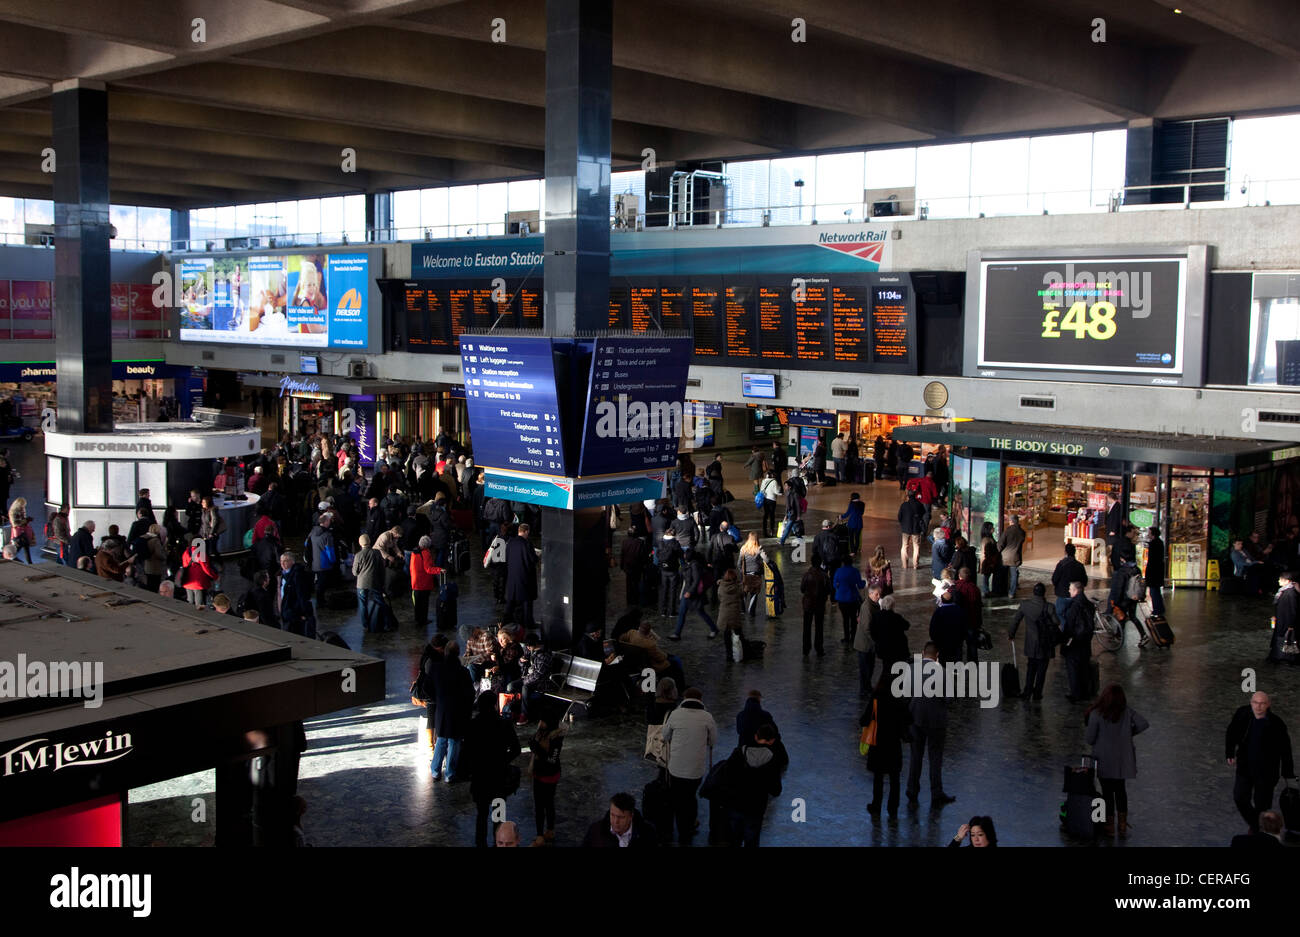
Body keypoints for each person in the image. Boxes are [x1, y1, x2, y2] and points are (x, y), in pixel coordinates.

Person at [1085, 683, 1150, 838]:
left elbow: (1089, 739)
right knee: (1121, 791)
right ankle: (1122, 824)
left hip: (1103, 760)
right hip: (1122, 760)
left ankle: (1109, 825)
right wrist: (1129, 733)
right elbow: (1143, 723)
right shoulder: (1126, 712)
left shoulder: (1096, 714)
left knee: (1107, 792)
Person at [1225, 692, 1295, 833]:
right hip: (1245, 766)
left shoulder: (1276, 723)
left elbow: (1285, 749)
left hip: (1267, 771)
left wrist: (1287, 772)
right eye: (1255, 703)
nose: (1258, 706)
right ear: (1251, 703)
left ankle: (1257, 829)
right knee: (1240, 797)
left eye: (1262, 703)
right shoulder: (1243, 714)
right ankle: (1257, 825)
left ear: (1268, 705)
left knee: (1261, 803)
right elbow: (1231, 732)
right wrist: (1230, 752)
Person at [660, 687, 717, 846]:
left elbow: (665, 736)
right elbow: (712, 741)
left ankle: (671, 830)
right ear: (701, 700)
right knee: (690, 797)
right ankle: (687, 829)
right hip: (695, 771)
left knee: (675, 796)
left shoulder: (676, 714)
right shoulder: (707, 717)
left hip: (675, 768)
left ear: (684, 698)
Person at [464, 693, 522, 847]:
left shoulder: (472, 725)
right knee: (498, 817)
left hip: (480, 779)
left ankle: (481, 844)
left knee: (481, 816)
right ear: (495, 705)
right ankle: (499, 844)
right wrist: (503, 760)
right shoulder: (503, 723)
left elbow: (466, 753)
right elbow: (516, 749)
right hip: (499, 779)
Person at [719, 722, 787, 846]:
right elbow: (776, 790)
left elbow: (726, 776)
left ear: (756, 736)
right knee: (752, 841)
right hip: (756, 808)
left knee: (734, 840)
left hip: (736, 804)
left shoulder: (739, 752)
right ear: (771, 741)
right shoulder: (772, 759)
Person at [906, 642, 956, 807]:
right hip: (936, 722)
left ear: (922, 653)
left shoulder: (912, 669)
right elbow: (949, 699)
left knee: (915, 756)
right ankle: (936, 792)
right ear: (937, 656)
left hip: (915, 718)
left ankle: (912, 789)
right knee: (935, 758)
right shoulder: (942, 672)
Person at [863, 673, 909, 816]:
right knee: (894, 777)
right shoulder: (898, 701)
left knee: (878, 776)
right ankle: (893, 808)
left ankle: (876, 805)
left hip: (878, 743)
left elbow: (864, 719)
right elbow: (908, 719)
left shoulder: (876, 699)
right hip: (893, 744)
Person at [1009, 583, 1060, 700]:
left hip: (1031, 642)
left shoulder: (1025, 605)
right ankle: (1037, 693)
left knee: (1031, 667)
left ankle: (1027, 691)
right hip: (1045, 643)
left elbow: (1015, 621)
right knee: (1042, 669)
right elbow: (1056, 622)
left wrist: (1011, 634)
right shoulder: (1049, 607)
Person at [529, 715, 566, 845]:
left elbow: (551, 759)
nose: (540, 723)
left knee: (544, 804)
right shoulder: (541, 733)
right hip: (539, 774)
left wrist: (536, 748)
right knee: (543, 804)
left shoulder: (556, 738)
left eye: (542, 720)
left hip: (549, 776)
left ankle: (543, 834)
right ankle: (547, 831)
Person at [581, 791, 659, 848]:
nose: (615, 821)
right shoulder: (596, 830)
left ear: (631, 816)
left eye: (621, 817)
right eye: (612, 815)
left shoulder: (647, 834)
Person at [672, 548, 719, 640]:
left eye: (685, 554)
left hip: (694, 595)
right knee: (682, 613)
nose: (684, 555)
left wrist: (690, 591)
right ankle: (677, 634)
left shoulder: (695, 565)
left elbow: (696, 580)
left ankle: (714, 629)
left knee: (701, 612)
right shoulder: (688, 565)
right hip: (687, 593)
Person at [1108, 544, 1148, 648]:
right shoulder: (1137, 569)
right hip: (1133, 597)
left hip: (1125, 598)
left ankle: (1118, 636)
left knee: (1121, 616)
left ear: (1122, 558)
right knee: (1132, 616)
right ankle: (1143, 635)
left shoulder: (1123, 571)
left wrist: (1115, 601)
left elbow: (1119, 587)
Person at [1062, 581, 1095, 703]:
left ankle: (1076, 693)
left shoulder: (1074, 606)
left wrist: (1065, 641)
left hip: (1076, 642)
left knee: (1073, 669)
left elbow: (1069, 626)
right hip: (1086, 641)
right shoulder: (1088, 604)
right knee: (1084, 667)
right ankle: (1085, 692)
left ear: (1076, 591)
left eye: (1071, 589)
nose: (1069, 591)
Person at [504, 523, 537, 629]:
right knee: (527, 602)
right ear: (526, 531)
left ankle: (506, 622)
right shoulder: (527, 544)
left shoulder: (510, 542)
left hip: (512, 577)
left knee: (511, 603)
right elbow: (532, 560)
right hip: (525, 577)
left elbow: (507, 558)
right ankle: (528, 623)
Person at [853, 584, 883, 697]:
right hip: (864, 644)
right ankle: (864, 689)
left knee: (870, 667)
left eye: (879, 594)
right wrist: (875, 641)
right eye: (877, 594)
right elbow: (867, 628)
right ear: (870, 594)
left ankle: (867, 687)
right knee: (865, 668)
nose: (879, 596)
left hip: (869, 644)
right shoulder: (867, 607)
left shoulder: (874, 605)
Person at [278, 551, 317, 638]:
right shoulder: (284, 574)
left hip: (294, 613)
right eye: (281, 561)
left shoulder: (297, 575)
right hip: (288, 611)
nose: (282, 563)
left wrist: (303, 613)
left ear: (292, 562)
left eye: (285, 561)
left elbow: (302, 595)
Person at [409, 535, 443, 631]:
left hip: (415, 582)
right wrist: (439, 570)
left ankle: (418, 620)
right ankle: (423, 620)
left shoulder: (414, 552)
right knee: (424, 603)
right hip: (423, 582)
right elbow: (428, 569)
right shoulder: (425, 553)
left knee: (418, 604)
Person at [352, 533, 384, 632]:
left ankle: (366, 625)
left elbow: (355, 572)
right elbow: (381, 568)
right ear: (369, 542)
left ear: (360, 543)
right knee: (380, 602)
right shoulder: (377, 553)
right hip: (375, 582)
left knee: (363, 604)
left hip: (362, 584)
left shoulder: (358, 555)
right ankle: (384, 620)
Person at [738, 532, 770, 625]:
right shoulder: (759, 548)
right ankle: (751, 612)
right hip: (756, 575)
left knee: (744, 593)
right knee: (754, 594)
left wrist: (742, 572)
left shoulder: (743, 548)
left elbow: (738, 563)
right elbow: (767, 560)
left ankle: (743, 611)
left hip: (745, 575)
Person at [800, 560, 831, 657]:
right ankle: (819, 648)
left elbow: (802, 589)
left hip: (808, 605)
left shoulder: (807, 574)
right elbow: (829, 590)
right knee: (819, 627)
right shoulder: (824, 575)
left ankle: (806, 649)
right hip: (820, 604)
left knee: (807, 627)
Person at [833, 560, 866, 648]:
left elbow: (835, 585)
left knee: (845, 618)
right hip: (852, 598)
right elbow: (860, 585)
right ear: (851, 563)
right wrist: (864, 582)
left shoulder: (838, 571)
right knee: (853, 618)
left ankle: (846, 637)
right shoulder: (855, 571)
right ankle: (853, 637)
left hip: (841, 599)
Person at [1052, 543, 1087, 623]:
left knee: (1059, 614)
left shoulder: (1061, 564)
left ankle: (1065, 629)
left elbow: (1054, 579)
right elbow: (1084, 581)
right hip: (1076, 596)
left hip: (1063, 594)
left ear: (1065, 552)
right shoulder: (1080, 565)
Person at [1269, 570, 1299, 664]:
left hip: (1286, 622)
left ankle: (1283, 658)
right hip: (1282, 620)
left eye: (1281, 579)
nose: (1278, 581)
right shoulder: (1285, 591)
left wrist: (1291, 624)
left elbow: (1293, 611)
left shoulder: (1290, 593)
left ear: (1287, 581)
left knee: (1285, 639)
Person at [929, 590, 966, 665]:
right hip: (957, 641)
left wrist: (935, 640)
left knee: (944, 662)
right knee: (957, 661)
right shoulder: (959, 610)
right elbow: (964, 625)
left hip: (943, 643)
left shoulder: (938, 612)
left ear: (942, 600)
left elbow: (933, 628)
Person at [180, 539, 216, 608]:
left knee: (189, 601)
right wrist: (214, 576)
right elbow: (206, 568)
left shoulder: (186, 552)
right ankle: (199, 616)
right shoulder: (200, 553)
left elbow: (185, 565)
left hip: (187, 581)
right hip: (198, 583)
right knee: (199, 604)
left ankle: (188, 614)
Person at [717, 568, 745, 656]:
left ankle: (729, 654)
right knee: (739, 632)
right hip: (735, 615)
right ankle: (743, 651)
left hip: (724, 615)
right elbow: (742, 594)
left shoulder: (721, 587)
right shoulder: (737, 588)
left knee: (726, 634)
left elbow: (720, 597)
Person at [656, 531, 684, 619]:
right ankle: (672, 611)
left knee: (664, 589)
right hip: (673, 570)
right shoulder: (675, 543)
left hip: (663, 569)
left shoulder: (661, 542)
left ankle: (663, 611)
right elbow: (681, 555)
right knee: (673, 590)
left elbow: (657, 554)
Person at [997, 514, 1026, 598]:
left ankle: (1002, 590)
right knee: (1014, 575)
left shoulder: (1007, 531)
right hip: (1015, 557)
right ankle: (1011, 593)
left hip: (1005, 557)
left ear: (1011, 522)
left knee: (1003, 574)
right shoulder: (1022, 532)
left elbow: (1000, 544)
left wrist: (998, 552)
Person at [897, 490, 926, 569]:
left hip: (906, 529)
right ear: (915, 495)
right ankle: (915, 565)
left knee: (904, 546)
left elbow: (899, 517)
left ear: (908, 496)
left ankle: (905, 565)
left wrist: (903, 523)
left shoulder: (904, 505)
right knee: (916, 546)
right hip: (916, 529)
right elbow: (923, 513)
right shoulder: (919, 504)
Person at [1144, 527, 1166, 617]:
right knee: (1156, 591)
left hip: (1154, 572)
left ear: (1152, 534)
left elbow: (1152, 560)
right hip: (1158, 571)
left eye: (1149, 532)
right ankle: (1160, 608)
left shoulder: (1154, 544)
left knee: (1153, 591)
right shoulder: (1159, 542)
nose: (1148, 534)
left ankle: (1157, 609)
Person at [778, 477, 802, 546]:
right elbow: (787, 506)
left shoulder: (795, 494)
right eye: (784, 485)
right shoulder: (787, 493)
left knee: (787, 528)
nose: (784, 487)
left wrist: (798, 515)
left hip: (793, 514)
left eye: (786, 486)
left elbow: (797, 505)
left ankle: (782, 541)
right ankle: (800, 539)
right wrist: (786, 515)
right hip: (789, 513)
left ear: (790, 487)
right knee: (794, 528)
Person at [759, 471, 781, 539]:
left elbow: (761, 490)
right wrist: (780, 491)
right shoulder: (774, 481)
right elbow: (776, 491)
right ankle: (771, 531)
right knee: (772, 516)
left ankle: (764, 531)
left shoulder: (764, 481)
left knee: (765, 515)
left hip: (765, 500)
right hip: (772, 500)